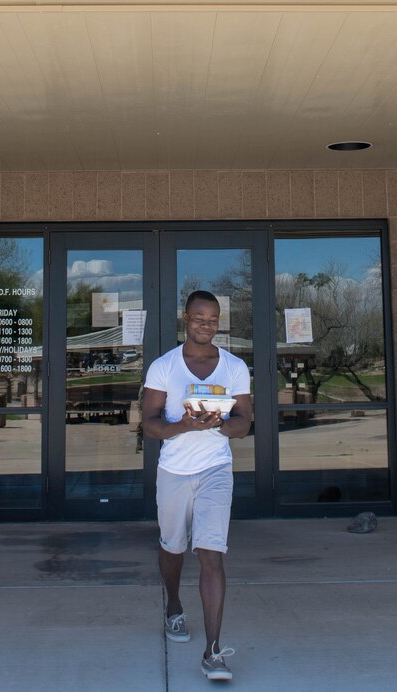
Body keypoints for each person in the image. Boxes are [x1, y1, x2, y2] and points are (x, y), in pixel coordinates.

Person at [141, 290, 253, 682]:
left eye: (213, 320)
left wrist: (219, 424)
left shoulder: (235, 366)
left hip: (216, 468)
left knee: (211, 554)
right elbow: (149, 423)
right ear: (185, 319)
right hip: (174, 470)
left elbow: (244, 422)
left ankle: (213, 652)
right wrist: (183, 426)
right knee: (172, 547)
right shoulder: (165, 367)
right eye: (199, 318)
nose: (206, 325)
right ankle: (173, 605)